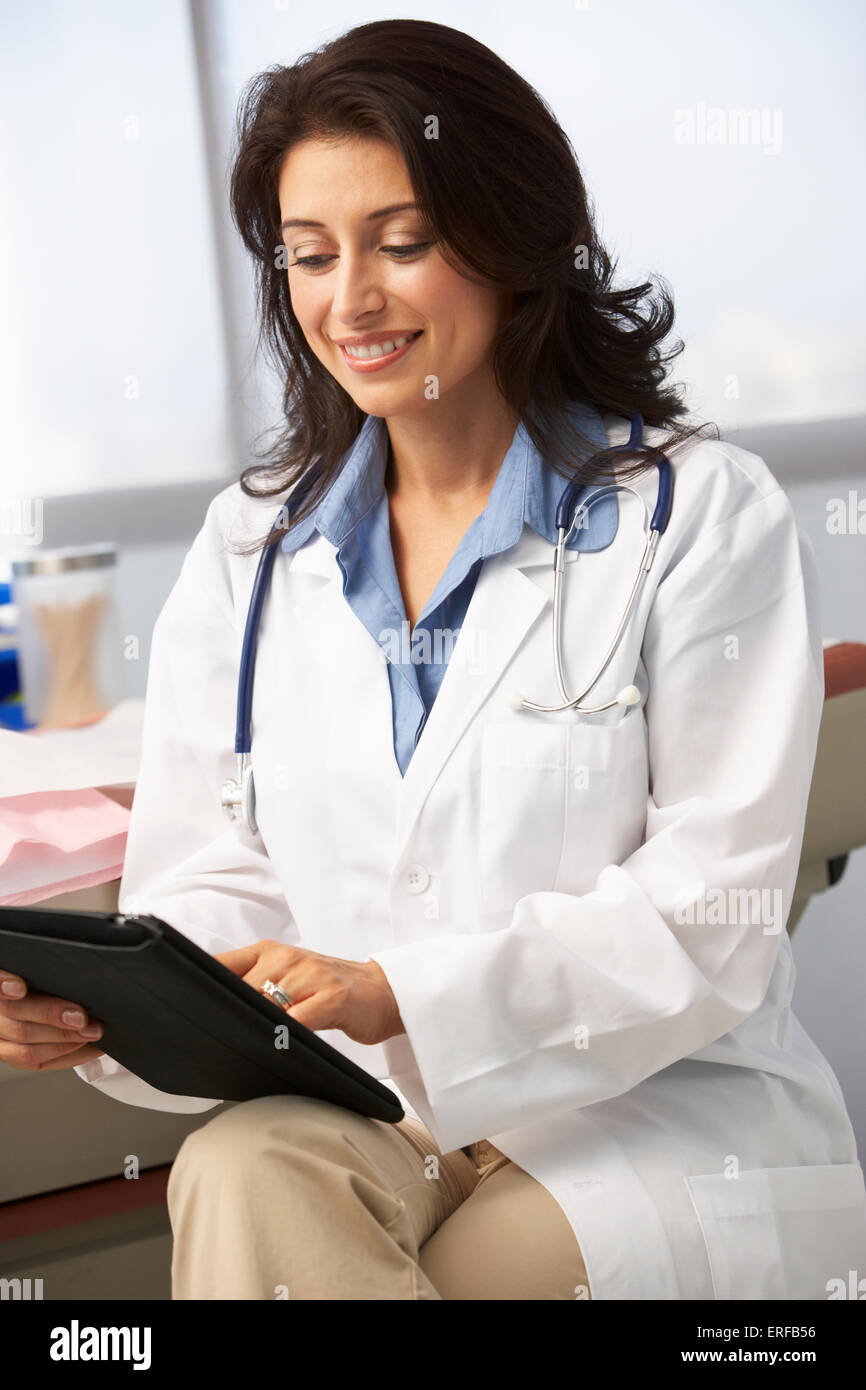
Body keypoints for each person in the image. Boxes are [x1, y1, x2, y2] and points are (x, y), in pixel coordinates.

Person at [2, 18, 865, 1301]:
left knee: (440, 1274)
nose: (348, 299)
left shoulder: (695, 513)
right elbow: (214, 866)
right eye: (308, 255)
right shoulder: (253, 544)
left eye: (400, 244)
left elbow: (706, 909)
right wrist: (111, 1007)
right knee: (239, 1174)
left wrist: (393, 987)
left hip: (647, 1119)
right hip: (376, 1107)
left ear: (514, 240)